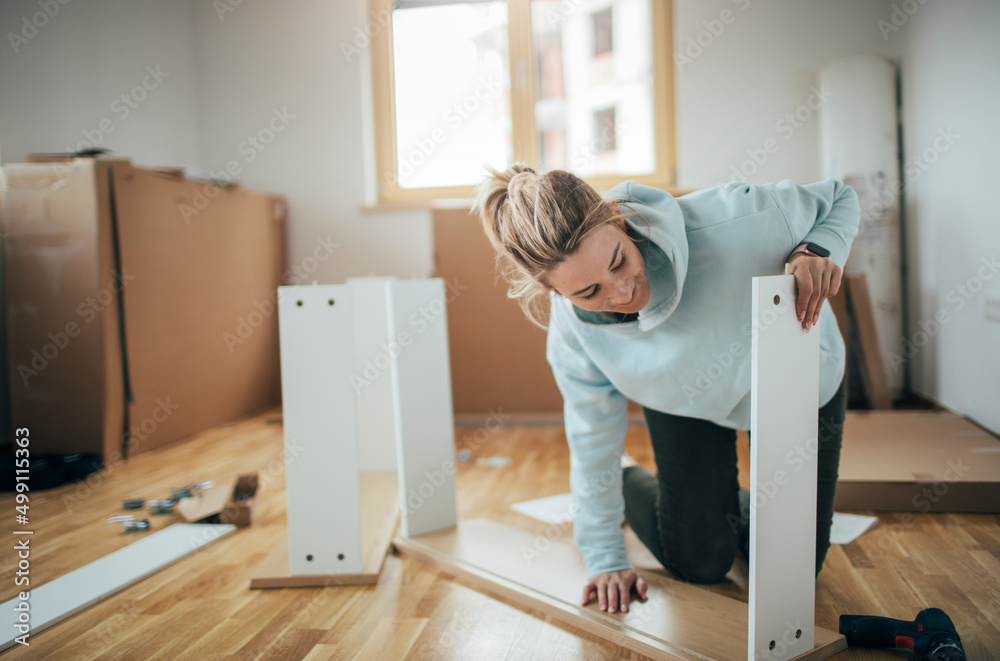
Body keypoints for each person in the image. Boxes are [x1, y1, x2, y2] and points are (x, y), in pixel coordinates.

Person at [473, 165, 859, 615]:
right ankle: (627, 476)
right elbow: (591, 435)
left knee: (789, 565)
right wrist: (606, 558)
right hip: (684, 396)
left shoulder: (742, 218)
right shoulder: (572, 333)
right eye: (588, 291)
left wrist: (817, 249)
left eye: (619, 260)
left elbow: (839, 198)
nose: (621, 293)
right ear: (550, 290)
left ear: (617, 216)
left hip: (794, 378)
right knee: (699, 560)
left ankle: (722, 506)